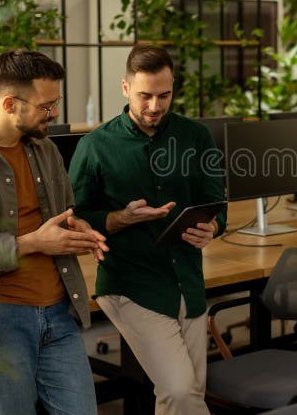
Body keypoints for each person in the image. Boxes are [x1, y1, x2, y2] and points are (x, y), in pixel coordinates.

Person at [0, 49, 108, 414]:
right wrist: (33, 242)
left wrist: (78, 229)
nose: (53, 113)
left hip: (60, 310)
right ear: (10, 103)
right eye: (46, 106)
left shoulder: (46, 151)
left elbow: (61, 215)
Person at [69, 44, 227, 415]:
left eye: (164, 95)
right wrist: (121, 218)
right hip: (131, 285)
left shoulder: (196, 137)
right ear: (125, 88)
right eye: (145, 96)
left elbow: (216, 202)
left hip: (187, 280)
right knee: (179, 391)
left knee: (190, 394)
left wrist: (214, 227)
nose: (154, 106)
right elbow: (74, 218)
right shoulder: (95, 146)